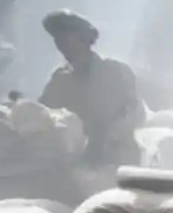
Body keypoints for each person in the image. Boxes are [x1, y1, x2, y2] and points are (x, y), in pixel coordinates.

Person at [39, 10, 145, 166]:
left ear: (83, 37)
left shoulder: (116, 71)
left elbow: (135, 112)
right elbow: (45, 112)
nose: (60, 42)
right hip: (75, 159)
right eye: (56, 37)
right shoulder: (60, 78)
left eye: (65, 35)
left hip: (118, 158)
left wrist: (104, 137)